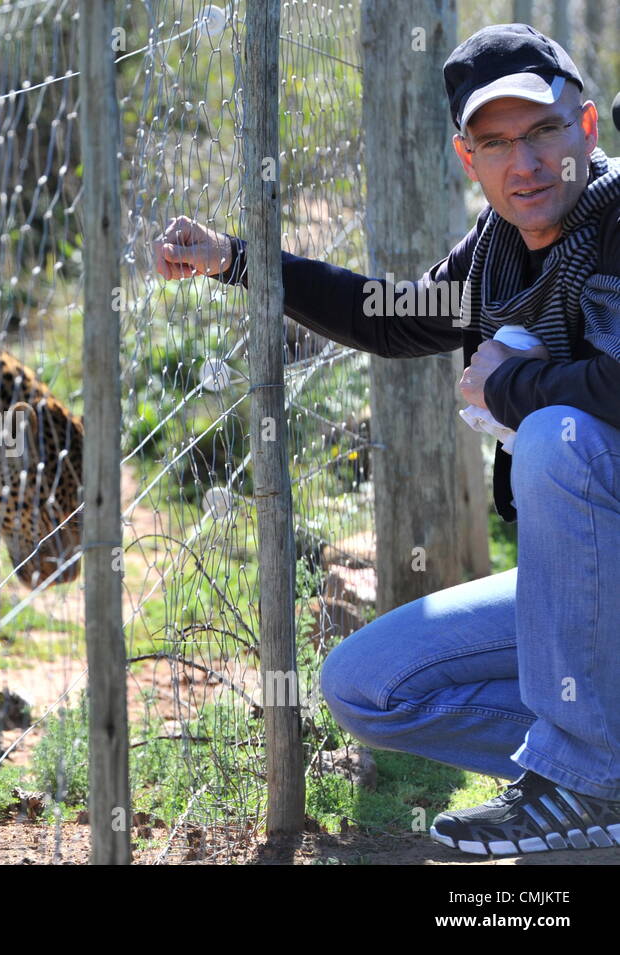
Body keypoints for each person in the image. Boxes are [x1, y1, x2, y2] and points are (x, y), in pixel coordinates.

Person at [154, 23, 620, 856]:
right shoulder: (497, 252)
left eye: (546, 131)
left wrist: (509, 387)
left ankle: (581, 779)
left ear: (587, 127)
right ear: (465, 157)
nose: (527, 163)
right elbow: (394, 316)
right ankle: (594, 760)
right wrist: (237, 260)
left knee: (554, 436)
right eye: (497, 143)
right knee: (368, 686)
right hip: (588, 585)